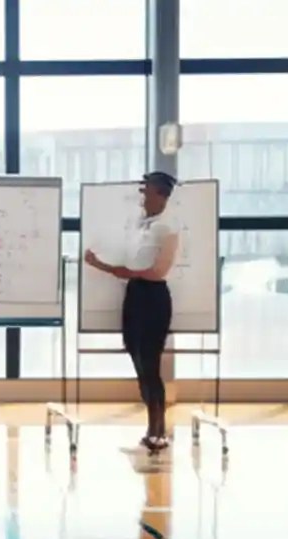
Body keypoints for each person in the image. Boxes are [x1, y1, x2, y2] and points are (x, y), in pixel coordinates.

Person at [83, 171, 180, 452]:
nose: (143, 196)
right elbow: (130, 268)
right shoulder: (142, 225)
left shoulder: (167, 227)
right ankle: (152, 429)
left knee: (150, 364)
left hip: (153, 297)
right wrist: (102, 265)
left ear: (161, 193)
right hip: (136, 295)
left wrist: (110, 268)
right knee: (137, 359)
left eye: (147, 190)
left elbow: (158, 270)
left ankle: (158, 431)